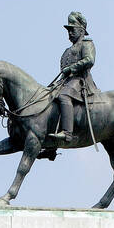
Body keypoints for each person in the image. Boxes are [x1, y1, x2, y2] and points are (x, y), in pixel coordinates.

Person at [46, 12, 99, 147]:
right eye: (68, 30)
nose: (69, 33)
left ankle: (67, 133)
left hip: (80, 81)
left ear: (81, 30)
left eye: (72, 29)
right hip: (66, 82)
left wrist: (72, 68)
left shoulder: (86, 43)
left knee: (63, 96)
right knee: (48, 97)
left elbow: (89, 60)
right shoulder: (67, 51)